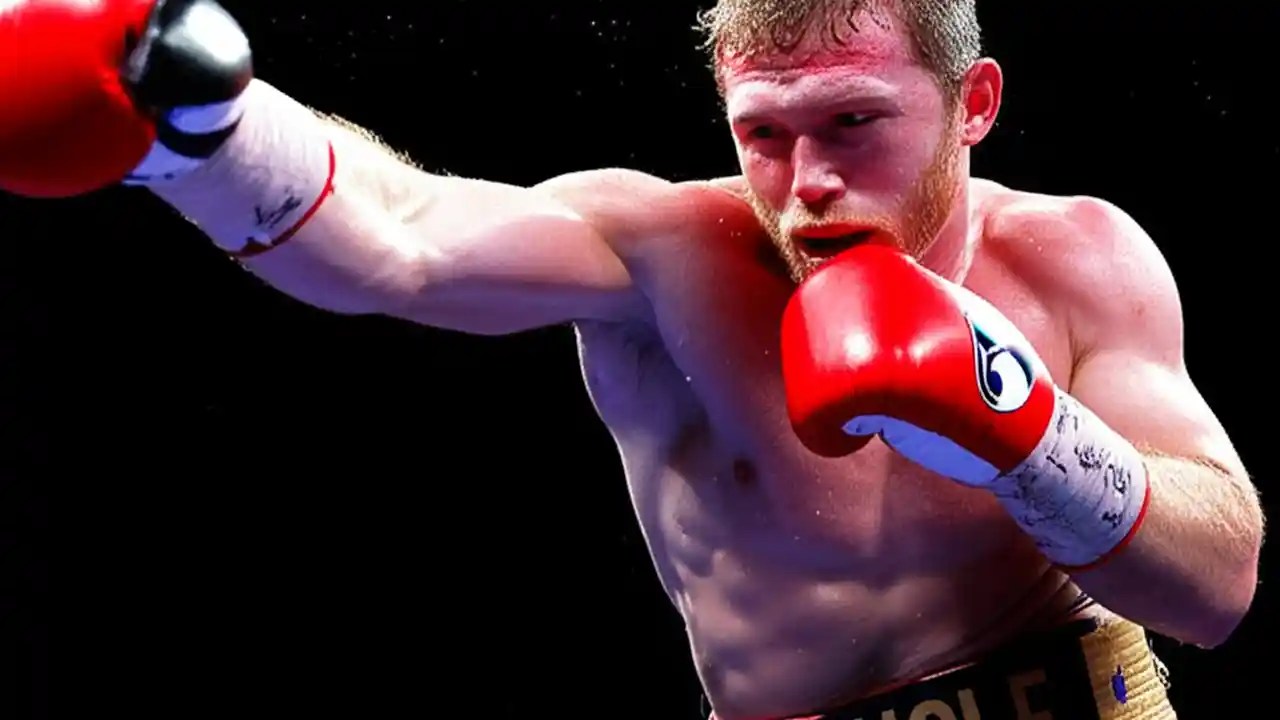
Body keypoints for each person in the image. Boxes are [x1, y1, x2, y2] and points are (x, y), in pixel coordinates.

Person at [0, 0, 1265, 718]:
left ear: (972, 105)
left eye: (853, 123)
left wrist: (1025, 428)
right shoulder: (662, 252)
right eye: (761, 133)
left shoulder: (1075, 259)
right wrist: (201, 127)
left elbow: (1216, 590)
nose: (807, 182)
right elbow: (404, 237)